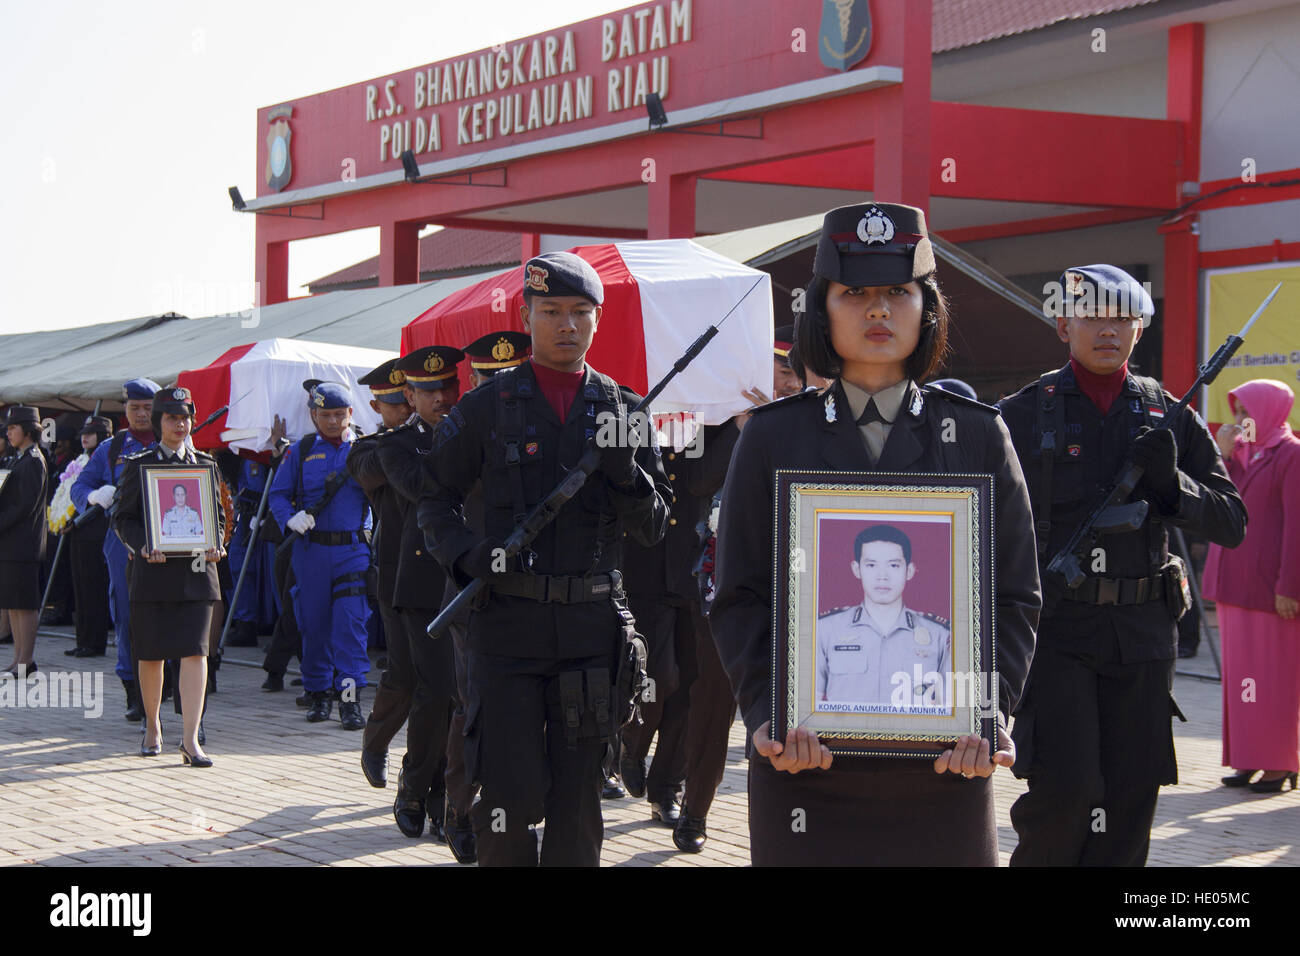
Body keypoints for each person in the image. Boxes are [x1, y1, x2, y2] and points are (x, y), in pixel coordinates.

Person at [710, 201, 1041, 866]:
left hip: (944, 769)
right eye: (855, 293)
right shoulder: (775, 436)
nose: (879, 310)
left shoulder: (976, 433)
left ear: (929, 308)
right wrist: (769, 710)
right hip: (807, 765)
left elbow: (1014, 596)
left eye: (899, 291)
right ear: (820, 313)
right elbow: (738, 593)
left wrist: (984, 715)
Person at [420, 251, 671, 866]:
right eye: (551, 311)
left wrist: (627, 473)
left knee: (579, 798)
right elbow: (433, 501)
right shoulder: (485, 407)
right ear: (526, 317)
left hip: (592, 629)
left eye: (580, 312)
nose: (566, 324)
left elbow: (655, 528)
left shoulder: (624, 410)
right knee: (506, 794)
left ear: (598, 320)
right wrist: (470, 555)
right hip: (507, 627)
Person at [998, 263, 1247, 865]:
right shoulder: (1021, 415)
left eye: (1122, 317)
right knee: (1066, 793)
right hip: (1056, 633)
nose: (1107, 330)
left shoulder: (1171, 416)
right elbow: (981, 522)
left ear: (1140, 327)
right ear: (1064, 325)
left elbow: (1231, 522)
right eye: (1092, 316)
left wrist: (1174, 485)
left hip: (1142, 634)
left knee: (1132, 798)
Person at [112, 387, 226, 766]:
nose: (180, 424)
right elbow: (123, 518)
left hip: (196, 571)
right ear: (159, 422)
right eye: (172, 417)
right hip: (154, 571)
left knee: (196, 651)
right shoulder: (139, 464)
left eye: (185, 417)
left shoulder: (206, 464)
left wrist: (218, 543)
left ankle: (191, 739)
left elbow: (219, 516)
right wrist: (143, 544)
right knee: (152, 653)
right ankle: (152, 727)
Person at [379, 346, 464, 844]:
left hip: (469, 577)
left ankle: (444, 794)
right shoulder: (397, 444)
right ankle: (415, 788)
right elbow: (427, 489)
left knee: (461, 693)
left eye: (447, 387)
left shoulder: (472, 427)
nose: (441, 398)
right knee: (435, 692)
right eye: (428, 391)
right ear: (408, 395)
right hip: (421, 583)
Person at [1203, 379, 1300, 793]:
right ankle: (1246, 756)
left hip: (1269, 589)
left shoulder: (1291, 455)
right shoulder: (1241, 455)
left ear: (1270, 412)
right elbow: (1216, 504)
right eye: (1237, 411)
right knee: (1243, 681)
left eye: (1247, 411)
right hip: (1233, 584)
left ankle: (1278, 764)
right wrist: (1222, 457)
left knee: (1272, 680)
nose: (1240, 420)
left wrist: (1290, 586)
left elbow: (1297, 526)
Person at [268, 381, 373, 729]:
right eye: (325, 415)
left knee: (350, 624)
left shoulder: (363, 450)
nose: (332, 421)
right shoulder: (300, 451)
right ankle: (317, 694)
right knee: (313, 625)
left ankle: (349, 701)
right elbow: (278, 495)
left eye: (339, 415)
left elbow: (380, 495)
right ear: (313, 415)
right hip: (311, 550)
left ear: (351, 414)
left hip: (351, 550)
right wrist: (289, 518)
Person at [71, 377, 161, 720]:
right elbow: (82, 485)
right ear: (125, 409)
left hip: (165, 538)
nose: (140, 414)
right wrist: (94, 496)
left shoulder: (171, 441)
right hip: (121, 540)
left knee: (165, 612)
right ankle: (132, 687)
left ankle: (162, 683)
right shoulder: (112, 447)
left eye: (147, 408)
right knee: (127, 613)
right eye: (134, 407)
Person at [351, 358, 414, 781]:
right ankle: (376, 741)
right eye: (394, 404)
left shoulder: (433, 438)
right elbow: (374, 474)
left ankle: (425, 772)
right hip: (396, 572)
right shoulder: (368, 450)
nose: (404, 410)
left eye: (407, 400)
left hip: (443, 570)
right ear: (376, 407)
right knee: (405, 670)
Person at [815, 525, 951, 707]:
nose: (882, 576)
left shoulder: (939, 635)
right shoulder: (825, 630)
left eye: (893, 565)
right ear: (857, 569)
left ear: (909, 571)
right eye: (871, 565)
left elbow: (951, 709)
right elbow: (807, 706)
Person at [0, 406, 50, 676]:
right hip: (12, 543)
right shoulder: (18, 458)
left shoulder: (33, 460)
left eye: (12, 428)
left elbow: (24, 506)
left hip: (24, 543)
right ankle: (18, 658)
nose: (8, 433)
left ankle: (26, 660)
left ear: (28, 430)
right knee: (13, 603)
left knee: (25, 603)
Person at [64, 416, 114, 657]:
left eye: (91, 433)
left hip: (98, 528)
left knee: (94, 586)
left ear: (104, 436)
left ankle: (95, 641)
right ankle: (83, 638)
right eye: (83, 432)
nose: (84, 437)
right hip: (79, 528)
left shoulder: (109, 455)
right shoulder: (80, 460)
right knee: (81, 587)